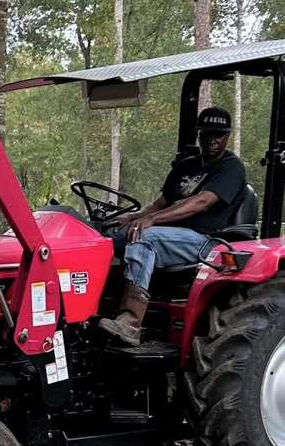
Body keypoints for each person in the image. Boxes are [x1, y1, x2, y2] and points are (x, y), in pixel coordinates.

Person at [99, 106, 247, 345]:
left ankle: (130, 321)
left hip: (206, 241)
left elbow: (202, 202)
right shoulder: (186, 166)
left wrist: (151, 221)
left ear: (227, 136)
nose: (212, 139)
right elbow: (159, 204)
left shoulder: (231, 167)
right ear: (199, 134)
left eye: (219, 134)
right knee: (106, 238)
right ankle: (97, 306)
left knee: (144, 236)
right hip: (171, 235)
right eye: (207, 133)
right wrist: (131, 217)